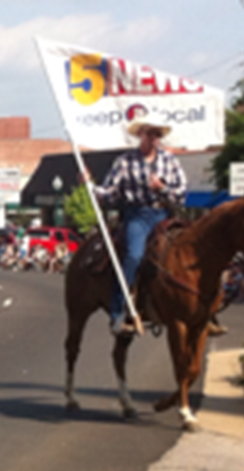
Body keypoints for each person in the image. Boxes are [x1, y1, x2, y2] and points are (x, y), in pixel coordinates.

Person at [86, 115, 187, 336]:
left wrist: (162, 188)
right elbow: (110, 191)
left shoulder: (170, 161)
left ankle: (200, 310)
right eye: (149, 133)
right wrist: (89, 185)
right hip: (138, 214)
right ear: (140, 134)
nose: (154, 138)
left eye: (157, 134)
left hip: (165, 214)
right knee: (134, 255)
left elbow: (181, 195)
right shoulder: (125, 161)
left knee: (189, 252)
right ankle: (118, 310)